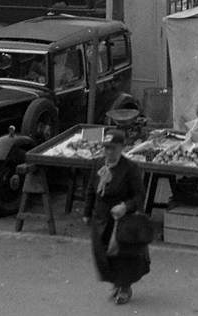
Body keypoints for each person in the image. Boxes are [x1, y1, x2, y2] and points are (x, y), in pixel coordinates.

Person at [83, 128, 149, 306]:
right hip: (101, 217)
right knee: (103, 254)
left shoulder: (130, 169)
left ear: (121, 147)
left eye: (112, 148)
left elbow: (139, 196)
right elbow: (91, 189)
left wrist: (125, 206)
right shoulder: (98, 164)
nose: (108, 152)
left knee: (123, 255)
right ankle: (116, 282)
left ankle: (125, 287)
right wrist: (86, 213)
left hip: (122, 220)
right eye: (106, 148)